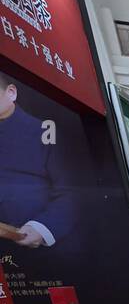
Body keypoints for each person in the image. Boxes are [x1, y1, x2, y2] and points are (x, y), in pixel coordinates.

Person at [0, 70, 76, 249]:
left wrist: (42, 228)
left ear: (11, 92)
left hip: (39, 246)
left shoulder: (45, 131)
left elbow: (73, 192)